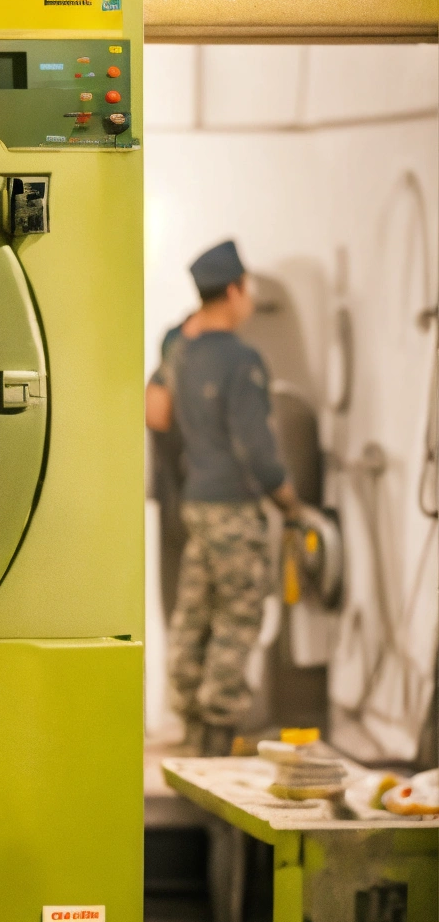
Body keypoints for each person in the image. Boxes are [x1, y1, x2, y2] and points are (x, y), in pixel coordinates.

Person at [146, 238, 300, 754]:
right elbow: (258, 448)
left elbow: (158, 415)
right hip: (234, 505)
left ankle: (191, 729)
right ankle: (217, 735)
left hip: (194, 502)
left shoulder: (181, 355)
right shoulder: (242, 359)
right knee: (238, 618)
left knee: (193, 613)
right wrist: (287, 499)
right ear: (234, 291)